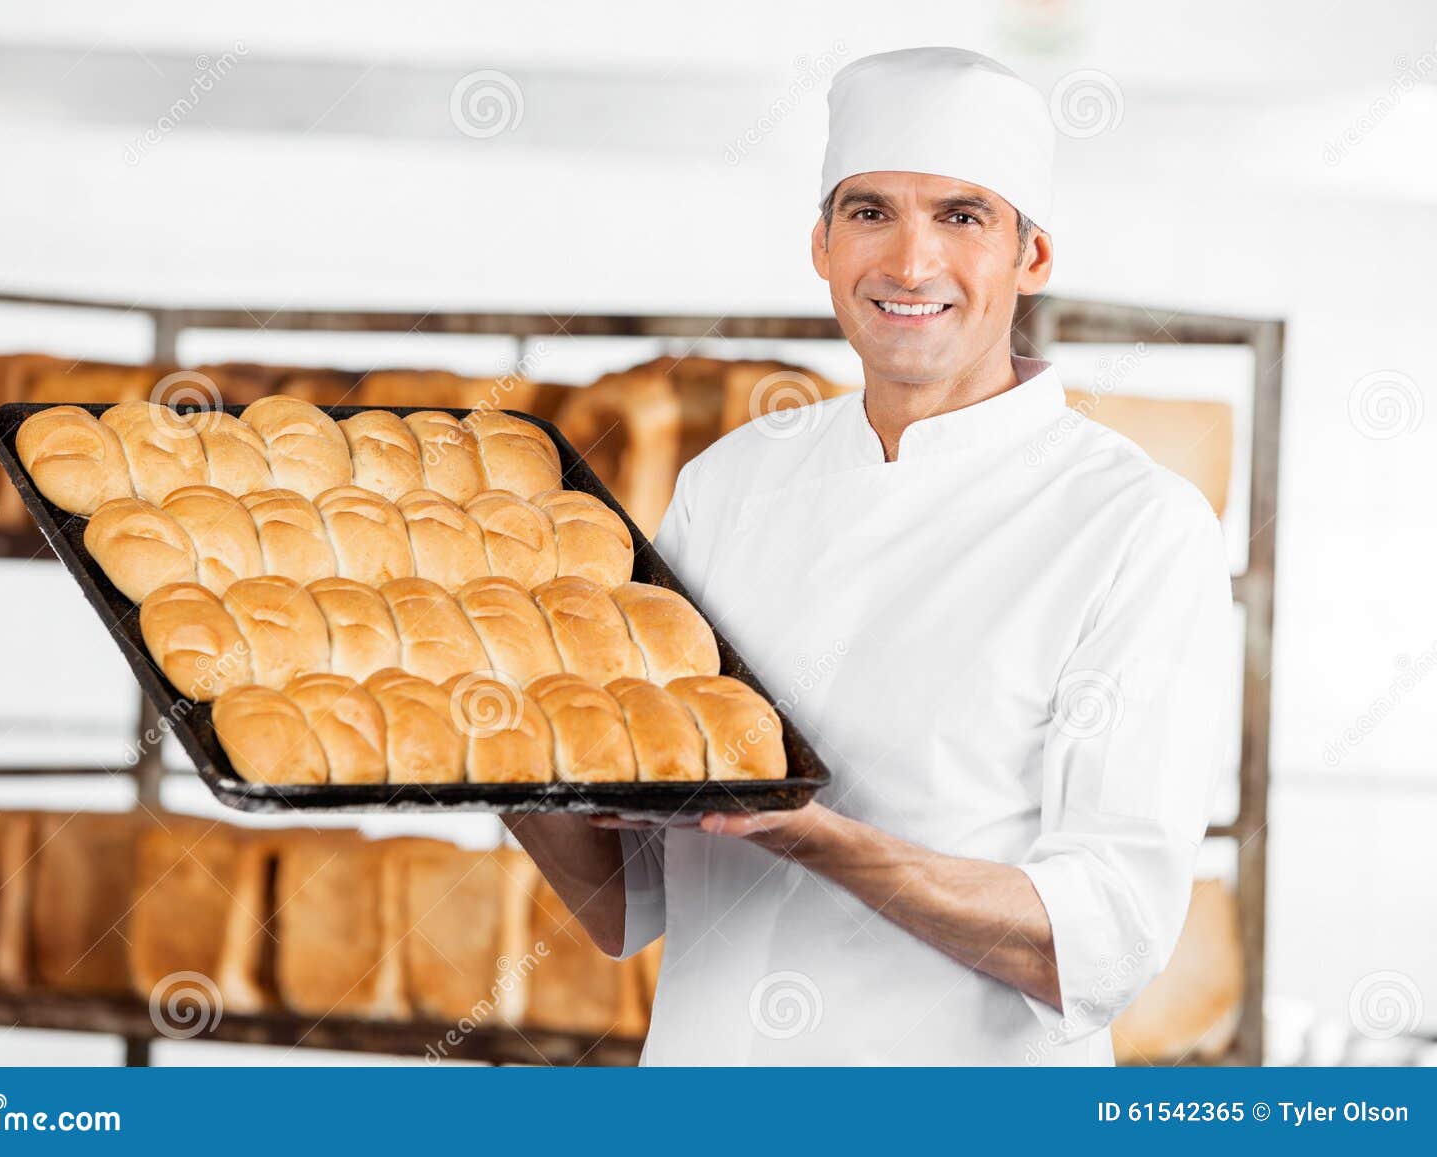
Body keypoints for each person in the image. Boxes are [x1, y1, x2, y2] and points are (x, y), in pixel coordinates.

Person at [505, 45, 1233, 1065]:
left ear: (1033, 256)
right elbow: (626, 900)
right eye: (869, 211)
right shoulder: (730, 483)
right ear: (821, 243)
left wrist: (812, 833)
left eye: (962, 216)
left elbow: (1100, 940)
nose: (908, 262)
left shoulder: (1134, 525)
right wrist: (488, 742)